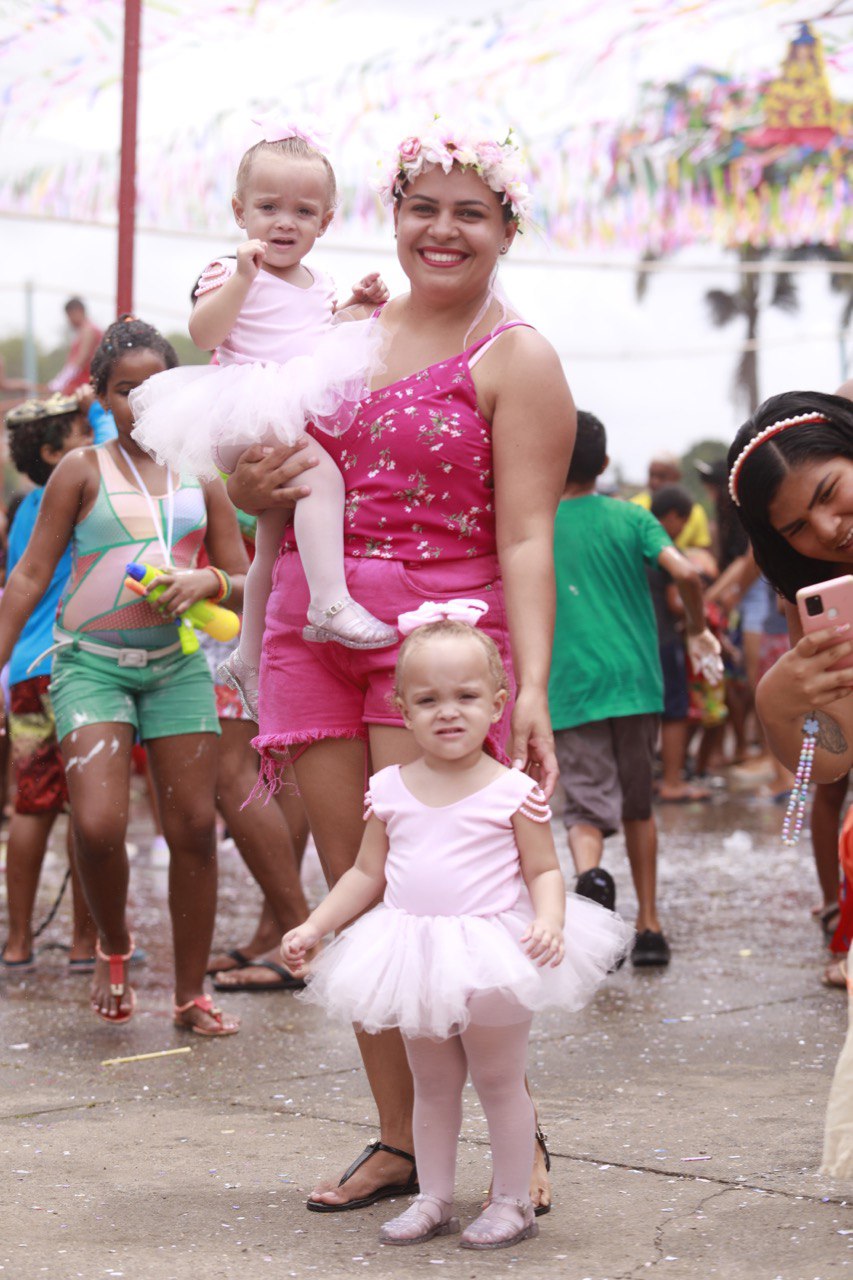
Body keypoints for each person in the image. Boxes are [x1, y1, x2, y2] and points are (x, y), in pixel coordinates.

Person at [226, 121, 574, 1213]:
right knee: (359, 891)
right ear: (392, 218)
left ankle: (521, 1142)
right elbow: (257, 482)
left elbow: (526, 536)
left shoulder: (516, 353)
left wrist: (531, 690)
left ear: (506, 228)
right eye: (424, 206)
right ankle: (399, 1141)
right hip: (310, 632)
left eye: (470, 210)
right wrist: (256, 482)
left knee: (442, 897)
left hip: (439, 654)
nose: (443, 228)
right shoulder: (341, 329)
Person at [282, 608, 631, 1249]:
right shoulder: (389, 788)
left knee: (499, 1080)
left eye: (467, 697)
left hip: (493, 950)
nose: (448, 711)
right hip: (414, 950)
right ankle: (434, 1198)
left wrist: (550, 921)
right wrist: (315, 924)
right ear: (403, 711)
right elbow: (366, 873)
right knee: (433, 1085)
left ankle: (510, 1201)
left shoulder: (511, 791)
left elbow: (545, 871)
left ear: (498, 704)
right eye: (428, 699)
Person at [0, 316, 248, 1035]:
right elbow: (29, 579)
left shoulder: (203, 473)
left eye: (157, 387)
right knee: (101, 826)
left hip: (176, 668)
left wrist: (205, 581)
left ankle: (190, 994)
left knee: (195, 827)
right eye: (125, 390)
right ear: (103, 398)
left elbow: (242, 572)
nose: (142, 402)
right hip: (90, 668)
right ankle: (112, 944)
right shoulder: (81, 471)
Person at [130, 118, 396, 718]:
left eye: (303, 211)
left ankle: (246, 657)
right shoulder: (230, 269)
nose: (283, 221)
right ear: (239, 211)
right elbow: (204, 333)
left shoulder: (317, 281)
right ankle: (330, 602)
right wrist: (243, 277)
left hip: (282, 405)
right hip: (241, 406)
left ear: (324, 222)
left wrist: (358, 306)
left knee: (272, 539)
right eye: (268, 206)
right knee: (320, 477)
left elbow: (317, 339)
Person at [548, 412, 722, 966]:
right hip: (636, 682)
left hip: (571, 684)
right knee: (639, 807)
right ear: (603, 465)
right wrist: (698, 631)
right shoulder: (634, 518)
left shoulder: (536, 524)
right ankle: (649, 927)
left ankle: (593, 884)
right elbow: (688, 574)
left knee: (583, 805)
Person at [727, 389, 853, 977]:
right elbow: (826, 763)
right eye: (797, 527)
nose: (829, 530)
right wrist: (777, 705)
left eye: (830, 492)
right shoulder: (815, 595)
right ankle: (837, 912)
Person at [1, 394, 96, 971]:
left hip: (27, 677)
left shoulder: (24, 510)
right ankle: (88, 942)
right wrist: (95, 397)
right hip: (79, 669)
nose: (92, 441)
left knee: (31, 806)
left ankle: (17, 943)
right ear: (51, 452)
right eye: (78, 433)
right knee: (90, 807)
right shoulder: (79, 501)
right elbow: (115, 434)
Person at [648, 484, 714, 803]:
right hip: (664, 638)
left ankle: (645, 779)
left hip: (637, 638)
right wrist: (699, 622)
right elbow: (677, 599)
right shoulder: (662, 546)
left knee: (644, 710)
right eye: (684, 521)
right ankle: (673, 781)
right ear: (673, 517)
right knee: (674, 711)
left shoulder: (633, 538)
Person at [631, 451, 712, 552]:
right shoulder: (634, 507)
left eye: (662, 476)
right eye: (651, 475)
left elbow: (702, 552)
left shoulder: (695, 512)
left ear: (677, 476)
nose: (654, 481)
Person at [48, 297, 103, 395]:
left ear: (78, 311)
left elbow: (82, 357)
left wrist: (62, 379)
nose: (69, 320)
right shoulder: (84, 331)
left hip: (85, 386)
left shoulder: (88, 330)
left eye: (69, 316)